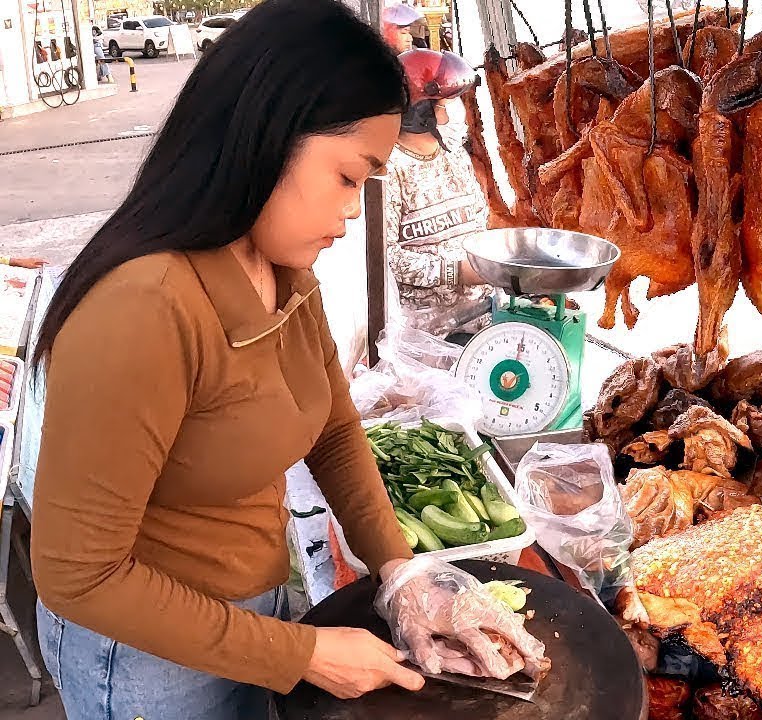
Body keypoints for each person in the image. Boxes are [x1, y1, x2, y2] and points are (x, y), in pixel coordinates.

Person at [29, 1, 426, 718]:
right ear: (270, 136)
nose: (354, 209)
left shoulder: (284, 272)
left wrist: (398, 570)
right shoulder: (144, 308)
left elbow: (334, 429)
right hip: (150, 662)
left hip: (258, 614)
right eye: (347, 177)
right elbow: (76, 573)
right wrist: (300, 654)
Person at [383, 48, 494, 344]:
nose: (456, 111)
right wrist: (455, 272)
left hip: (484, 317)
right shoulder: (389, 169)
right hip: (430, 334)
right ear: (417, 112)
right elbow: (387, 258)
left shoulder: (454, 153)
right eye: (447, 103)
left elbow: (479, 222)